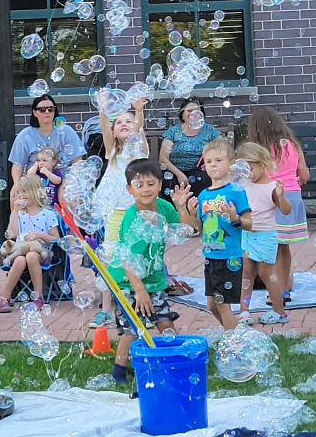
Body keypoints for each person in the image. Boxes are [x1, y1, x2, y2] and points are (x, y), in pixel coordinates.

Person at [104, 159, 196, 385]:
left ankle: (173, 364)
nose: (145, 189)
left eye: (150, 183)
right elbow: (127, 258)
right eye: (139, 184)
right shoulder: (132, 217)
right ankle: (119, 372)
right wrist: (139, 290)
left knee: (165, 321)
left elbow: (185, 232)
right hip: (127, 281)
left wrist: (182, 207)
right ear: (129, 189)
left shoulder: (164, 208)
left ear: (159, 185)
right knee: (133, 329)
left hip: (153, 280)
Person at [87, 95, 148, 329]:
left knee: (136, 259)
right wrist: (104, 108)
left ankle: (140, 308)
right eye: (119, 122)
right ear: (113, 131)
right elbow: (104, 125)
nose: (124, 124)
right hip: (114, 213)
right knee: (110, 258)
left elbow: (139, 130)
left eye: (128, 121)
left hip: (136, 213)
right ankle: (105, 311)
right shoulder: (112, 152)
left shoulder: (139, 150)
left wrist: (138, 111)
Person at [246, 106, 310, 302]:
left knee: (269, 247)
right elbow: (305, 176)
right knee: (284, 248)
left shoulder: (256, 151)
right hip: (292, 198)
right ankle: (283, 290)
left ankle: (273, 292)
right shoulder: (293, 146)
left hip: (268, 200)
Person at [192, 137, 251, 329]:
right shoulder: (203, 195)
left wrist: (235, 217)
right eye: (208, 161)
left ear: (231, 164)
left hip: (229, 256)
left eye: (218, 160)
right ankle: (233, 334)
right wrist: (188, 212)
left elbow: (249, 224)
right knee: (211, 304)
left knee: (221, 303)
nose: (213, 165)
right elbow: (199, 227)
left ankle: (234, 342)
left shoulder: (236, 191)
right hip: (211, 255)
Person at [234, 142, 292, 325]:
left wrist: (281, 196)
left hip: (265, 236)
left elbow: (286, 210)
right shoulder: (244, 185)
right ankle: (244, 311)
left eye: (250, 169)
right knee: (247, 273)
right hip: (247, 234)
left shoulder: (272, 187)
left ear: (262, 163)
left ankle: (279, 311)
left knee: (267, 274)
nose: (247, 174)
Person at [0, 176, 62, 312]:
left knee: (31, 256)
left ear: (37, 192)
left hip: (42, 252)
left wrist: (40, 235)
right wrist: (15, 211)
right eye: (19, 192)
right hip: (20, 250)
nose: (21, 195)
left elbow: (55, 239)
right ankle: (4, 298)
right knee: (20, 260)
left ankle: (38, 296)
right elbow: (12, 234)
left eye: (25, 191)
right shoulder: (20, 214)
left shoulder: (48, 214)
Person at [8, 94, 86, 184]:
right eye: (42, 110)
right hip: (36, 182)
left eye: (50, 109)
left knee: (66, 194)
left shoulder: (67, 131)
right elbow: (18, 165)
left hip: (64, 181)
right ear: (35, 113)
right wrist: (17, 185)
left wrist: (73, 182)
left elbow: (77, 161)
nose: (47, 112)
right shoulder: (25, 135)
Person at [159, 99, 221, 195]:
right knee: (169, 182)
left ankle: (196, 208)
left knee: (201, 179)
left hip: (199, 170)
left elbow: (224, 148)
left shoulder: (209, 130)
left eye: (196, 110)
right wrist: (180, 174)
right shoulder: (173, 131)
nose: (193, 114)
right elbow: (163, 159)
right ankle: (177, 209)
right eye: (189, 111)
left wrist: (212, 160)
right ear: (182, 115)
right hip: (174, 170)